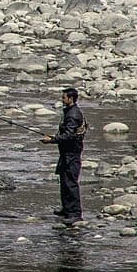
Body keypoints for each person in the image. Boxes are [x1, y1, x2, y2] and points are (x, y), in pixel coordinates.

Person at [43, 87, 86, 221]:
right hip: (66, 153)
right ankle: (66, 209)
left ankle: (75, 214)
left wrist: (52, 140)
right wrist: (54, 138)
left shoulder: (73, 114)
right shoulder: (69, 111)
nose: (62, 100)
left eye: (63, 97)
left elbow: (68, 135)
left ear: (70, 99)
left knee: (71, 183)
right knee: (64, 182)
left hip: (71, 154)